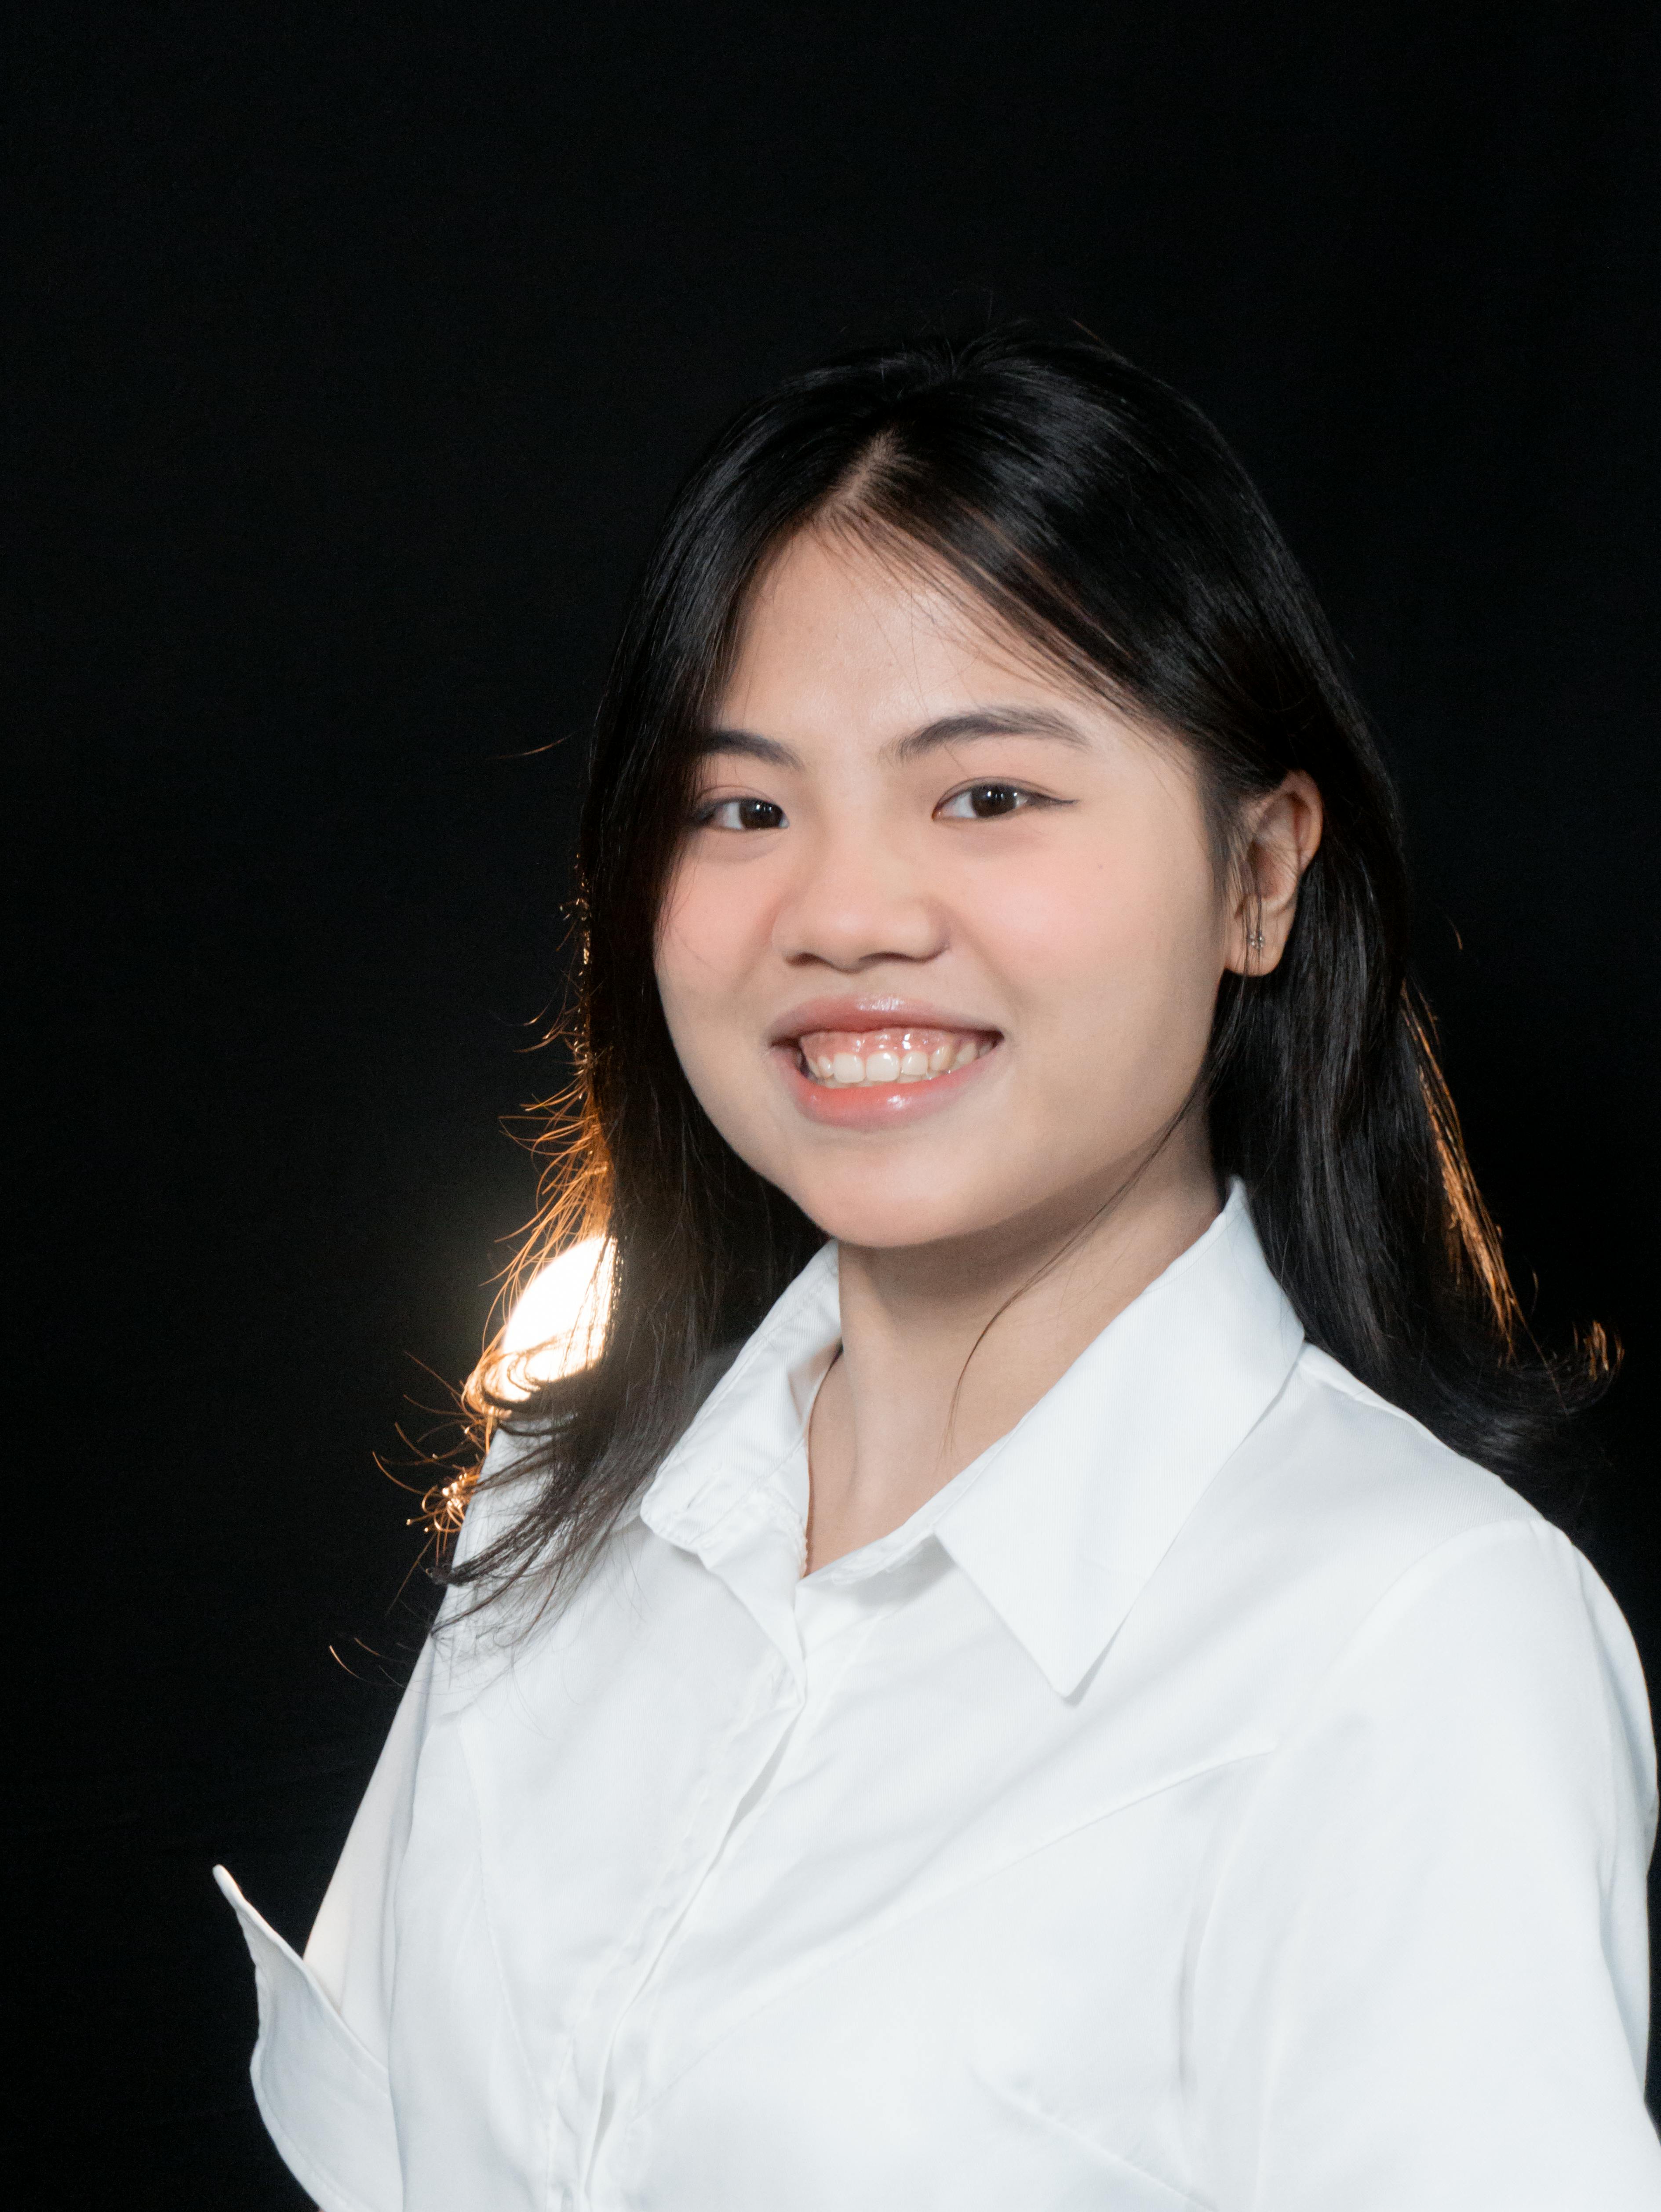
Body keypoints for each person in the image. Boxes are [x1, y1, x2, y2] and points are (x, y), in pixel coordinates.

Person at [218, 330, 1660, 2211]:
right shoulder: (564, 1497)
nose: (845, 915)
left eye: (984, 795)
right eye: (743, 807)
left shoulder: (1415, 1635)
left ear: (1262, 872)